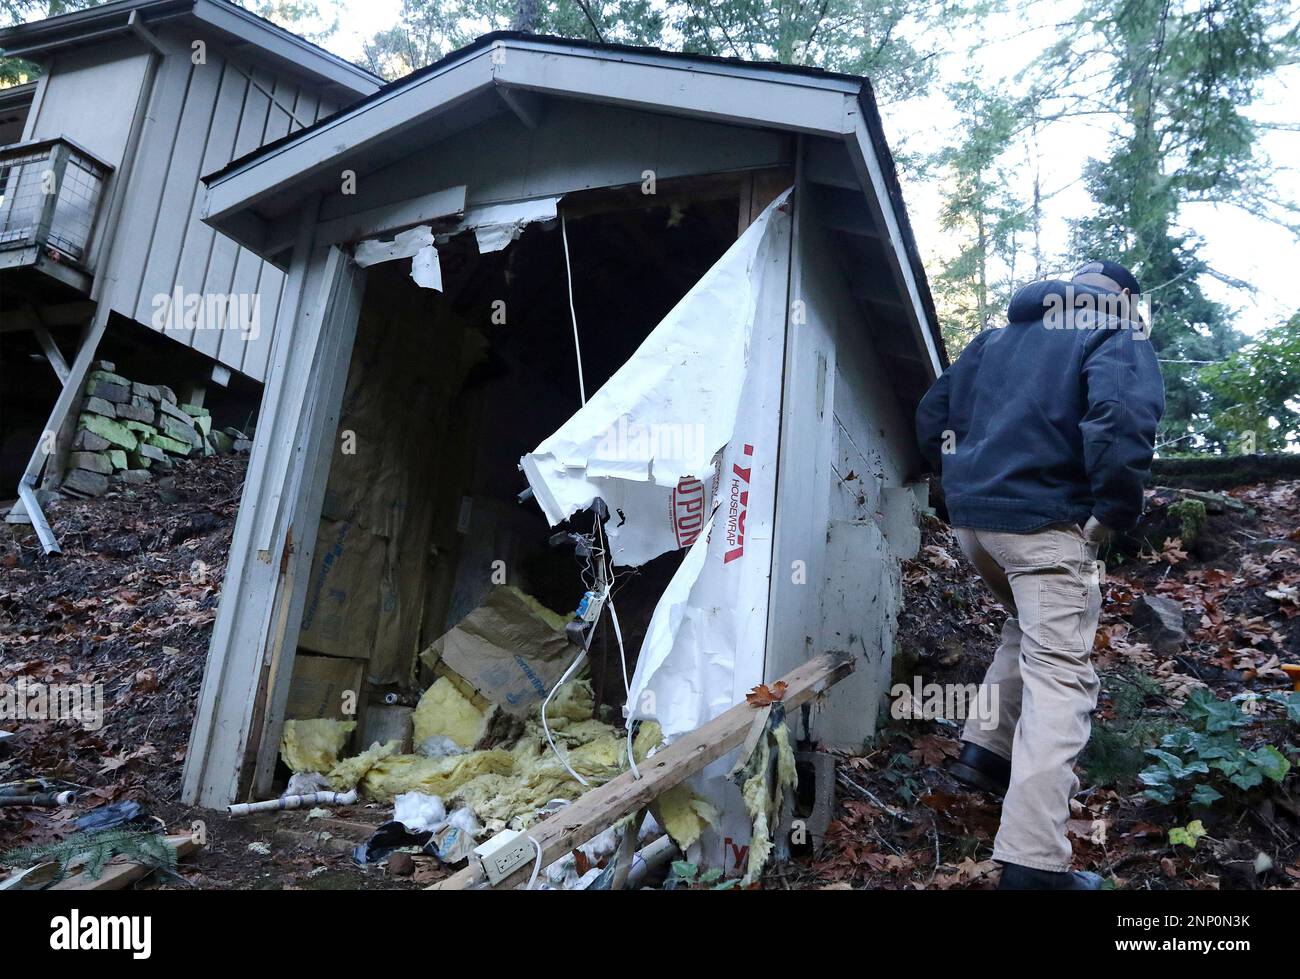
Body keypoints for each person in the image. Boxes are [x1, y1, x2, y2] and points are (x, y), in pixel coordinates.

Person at [914, 260, 1165, 890]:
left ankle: (985, 749)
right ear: (1126, 299)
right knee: (1061, 676)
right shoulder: (1118, 333)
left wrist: (964, 487)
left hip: (977, 527)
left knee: (1026, 631)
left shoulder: (996, 338)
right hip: (1044, 525)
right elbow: (1119, 422)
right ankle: (1033, 863)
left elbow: (932, 416)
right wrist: (1113, 511)